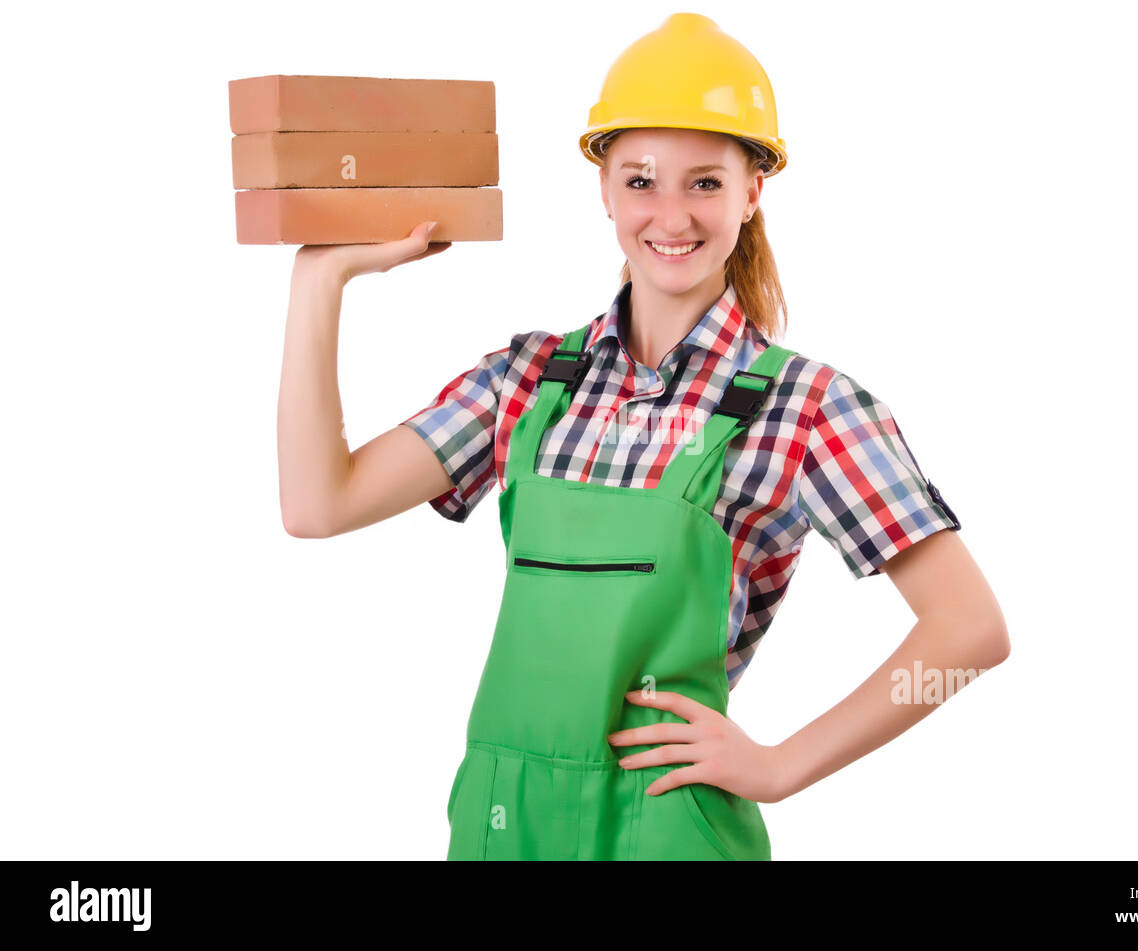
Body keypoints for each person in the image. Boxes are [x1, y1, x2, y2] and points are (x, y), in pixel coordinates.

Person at [278, 13, 1009, 860]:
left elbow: (971, 632)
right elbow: (315, 504)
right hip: (502, 818)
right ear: (603, 189)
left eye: (705, 182)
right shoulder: (532, 379)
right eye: (641, 181)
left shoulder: (807, 407)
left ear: (753, 191)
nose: (671, 214)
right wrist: (318, 279)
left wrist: (780, 766)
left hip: (666, 826)